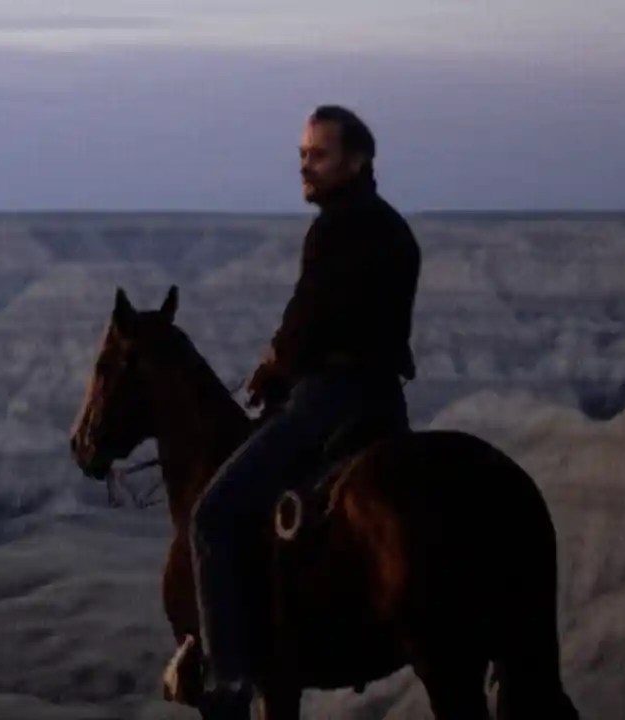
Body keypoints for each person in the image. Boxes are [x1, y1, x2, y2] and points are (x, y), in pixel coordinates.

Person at [189, 105, 421, 716]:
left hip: (326, 400)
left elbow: (310, 316)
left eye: (317, 155)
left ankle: (229, 677)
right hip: (384, 404)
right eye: (302, 155)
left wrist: (273, 367)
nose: (305, 167)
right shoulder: (398, 230)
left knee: (213, 516)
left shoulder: (333, 229)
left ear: (356, 160)